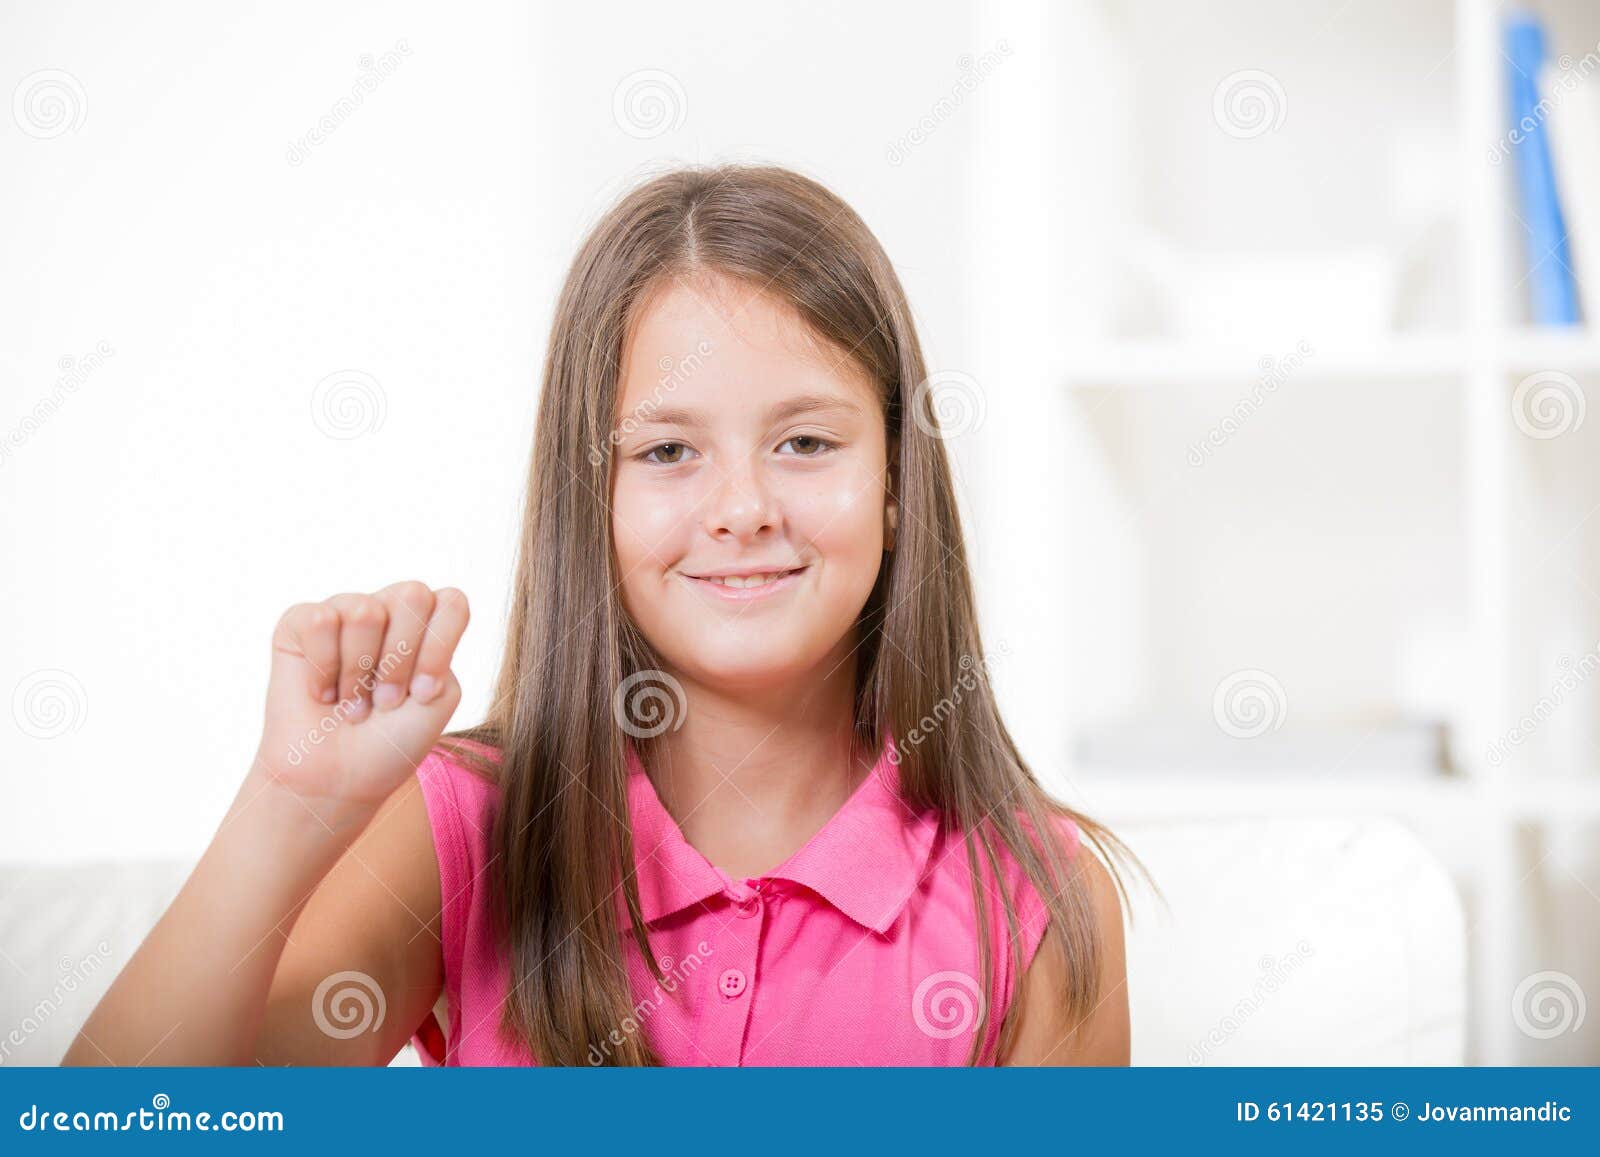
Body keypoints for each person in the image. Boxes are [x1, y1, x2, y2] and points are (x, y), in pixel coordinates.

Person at [65, 163, 1141, 1067]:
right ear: (592, 495)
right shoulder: (462, 830)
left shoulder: (1035, 899)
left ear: (899, 482)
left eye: (805, 442)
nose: (742, 510)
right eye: (668, 450)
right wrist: (292, 802)